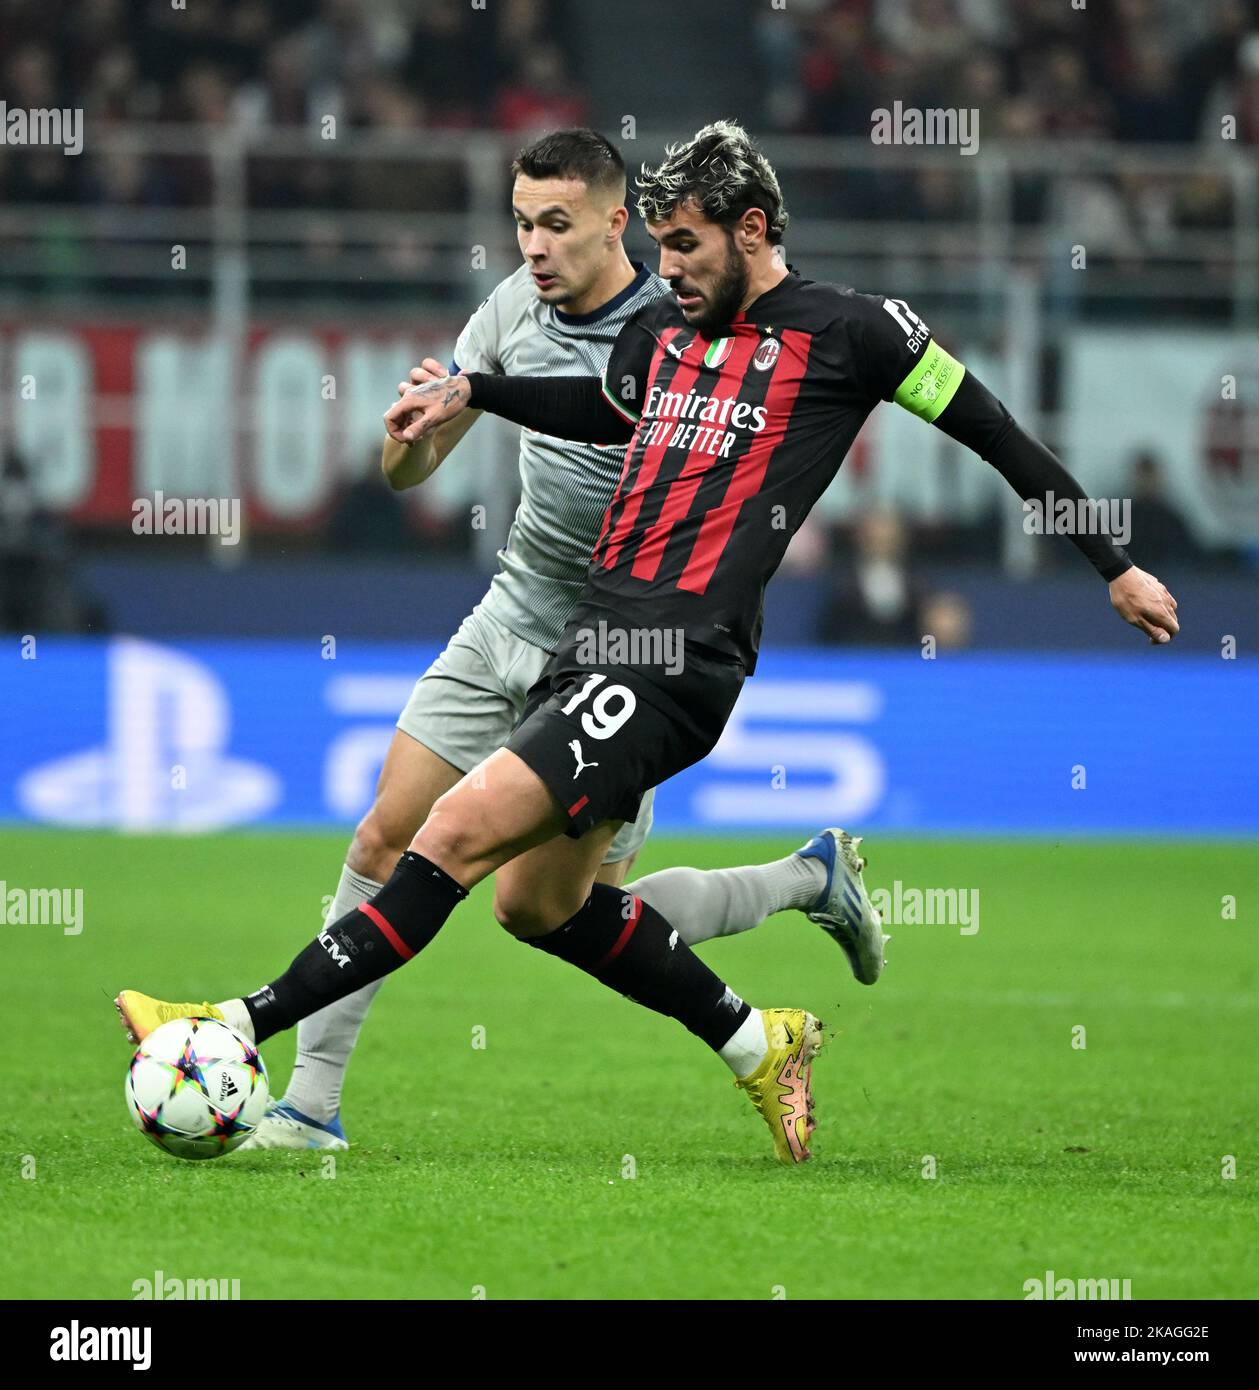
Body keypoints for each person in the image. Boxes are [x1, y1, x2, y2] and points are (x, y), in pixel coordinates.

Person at [117, 120, 1178, 1164]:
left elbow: (999, 437)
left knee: (446, 833)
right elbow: (599, 408)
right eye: (659, 244)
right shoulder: (663, 336)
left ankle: (237, 1024)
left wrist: (1113, 566)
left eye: (683, 247)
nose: (661, 268)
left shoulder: (860, 333)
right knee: (539, 907)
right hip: (589, 640)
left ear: (751, 230)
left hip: (673, 660)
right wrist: (475, 391)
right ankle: (760, 1034)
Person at [230, 128, 882, 1158]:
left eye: (556, 224)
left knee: (551, 908)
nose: (533, 246)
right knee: (381, 836)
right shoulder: (507, 310)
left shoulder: (684, 318)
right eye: (522, 223)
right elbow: (418, 463)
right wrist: (410, 438)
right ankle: (310, 1107)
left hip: (621, 649)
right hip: (511, 615)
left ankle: (805, 881)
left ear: (615, 222)